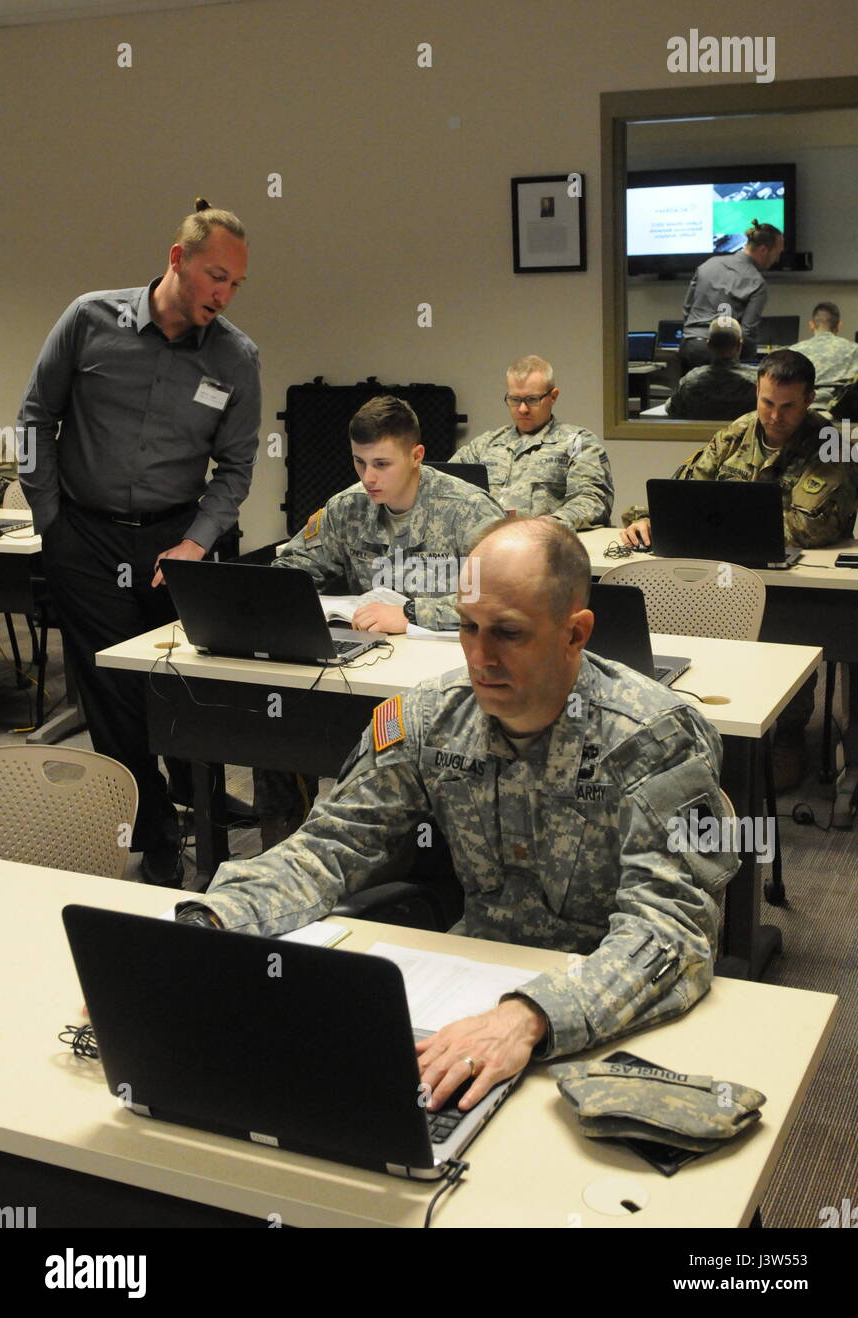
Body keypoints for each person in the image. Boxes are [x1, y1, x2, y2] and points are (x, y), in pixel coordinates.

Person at [177, 517, 736, 1114]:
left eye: (509, 633)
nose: (480, 656)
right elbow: (328, 846)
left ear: (575, 634)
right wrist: (207, 926)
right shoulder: (428, 720)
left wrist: (530, 1016)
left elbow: (670, 933)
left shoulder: (653, 740)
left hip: (612, 1011)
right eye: (468, 627)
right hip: (465, 998)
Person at [17, 200, 261, 889]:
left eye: (236, 284)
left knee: (180, 689)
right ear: (177, 259)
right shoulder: (89, 319)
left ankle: (198, 801)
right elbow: (36, 415)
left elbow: (236, 470)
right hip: (84, 538)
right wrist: (49, 520)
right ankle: (153, 833)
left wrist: (196, 541)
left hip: (171, 543)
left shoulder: (236, 359)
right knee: (110, 694)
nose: (224, 293)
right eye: (216, 275)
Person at [254, 394, 505, 845]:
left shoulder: (468, 510)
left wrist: (409, 613)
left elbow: (504, 595)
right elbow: (289, 570)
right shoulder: (346, 507)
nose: (368, 478)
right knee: (275, 718)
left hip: (444, 684)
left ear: (416, 456)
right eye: (359, 462)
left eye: (382, 464)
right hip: (362, 670)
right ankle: (284, 846)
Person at [621, 347, 858, 790]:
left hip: (800, 582)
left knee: (792, 636)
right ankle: (711, 730)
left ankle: (787, 735)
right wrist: (650, 518)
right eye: (767, 402)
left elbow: (812, 526)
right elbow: (683, 491)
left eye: (788, 406)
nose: (774, 415)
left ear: (808, 400)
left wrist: (719, 521)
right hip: (726, 572)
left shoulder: (831, 443)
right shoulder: (738, 432)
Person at [449, 355, 613, 529]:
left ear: (553, 397)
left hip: (546, 543)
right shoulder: (485, 445)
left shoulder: (578, 442)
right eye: (515, 399)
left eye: (532, 400)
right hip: (489, 541)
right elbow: (446, 485)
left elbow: (593, 500)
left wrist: (553, 522)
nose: (522, 409)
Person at [679, 220, 783, 372]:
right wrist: (749, 365)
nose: (777, 259)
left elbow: (687, 308)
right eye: (777, 253)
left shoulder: (708, 264)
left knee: (691, 393)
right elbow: (747, 333)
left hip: (690, 346)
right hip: (720, 354)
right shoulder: (756, 281)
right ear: (763, 250)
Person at [664, 315, 757, 420]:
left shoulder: (691, 381)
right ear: (739, 345)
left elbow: (672, 409)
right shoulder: (757, 382)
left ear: (709, 345)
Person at [790, 301, 858, 406]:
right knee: (847, 421)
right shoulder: (854, 350)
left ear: (811, 325)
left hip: (804, 413)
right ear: (839, 326)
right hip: (841, 416)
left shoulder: (793, 352)